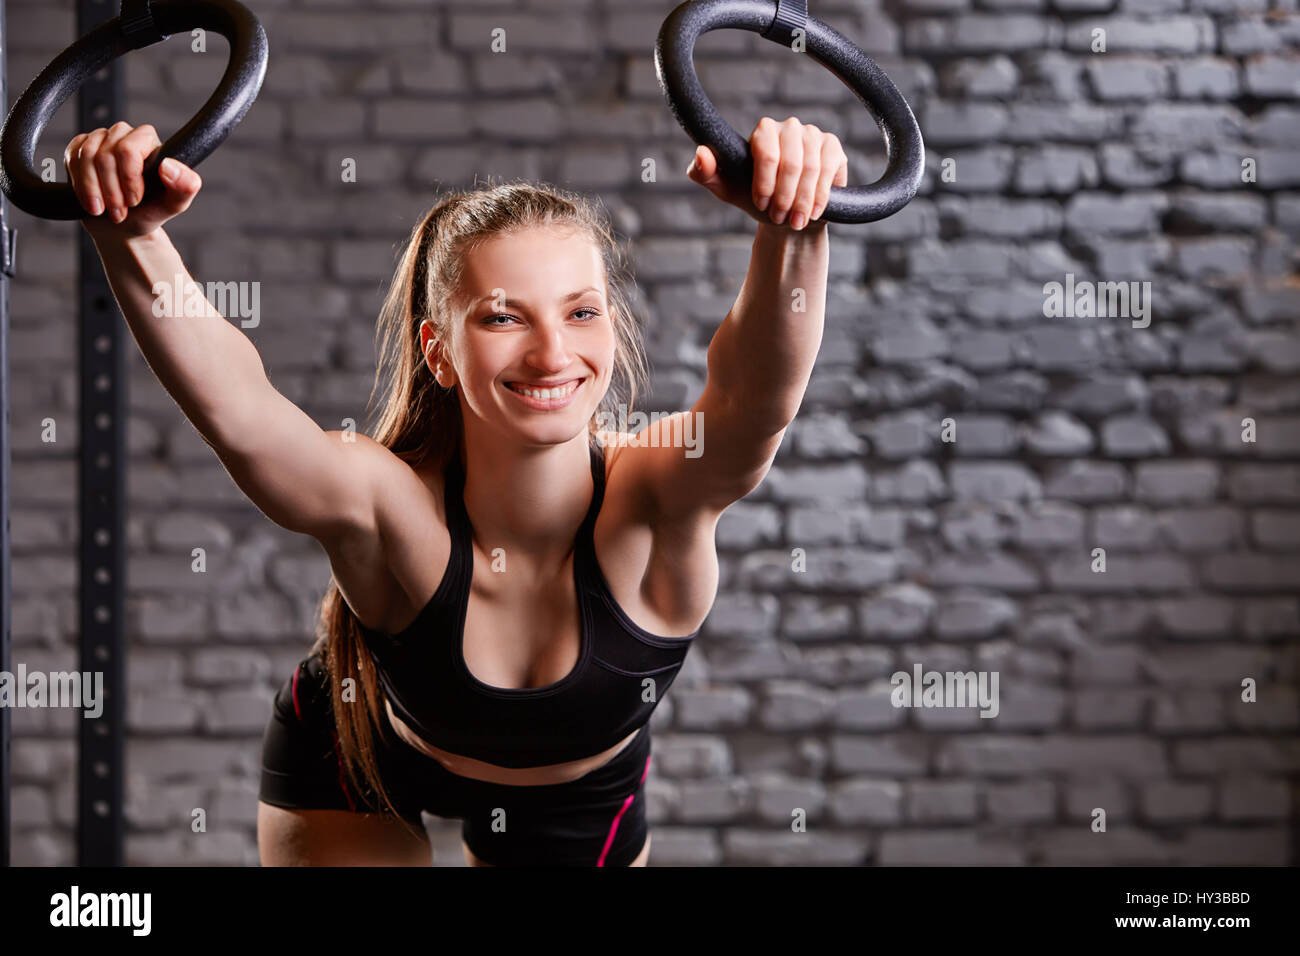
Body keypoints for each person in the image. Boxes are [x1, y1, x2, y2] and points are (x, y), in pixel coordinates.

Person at [65, 116, 847, 866]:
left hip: (578, 798)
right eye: (504, 317)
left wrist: (796, 223)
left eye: (581, 312)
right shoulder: (391, 509)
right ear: (439, 354)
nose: (551, 353)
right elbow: (242, 414)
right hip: (360, 747)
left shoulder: (656, 500)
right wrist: (130, 234)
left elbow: (752, 402)